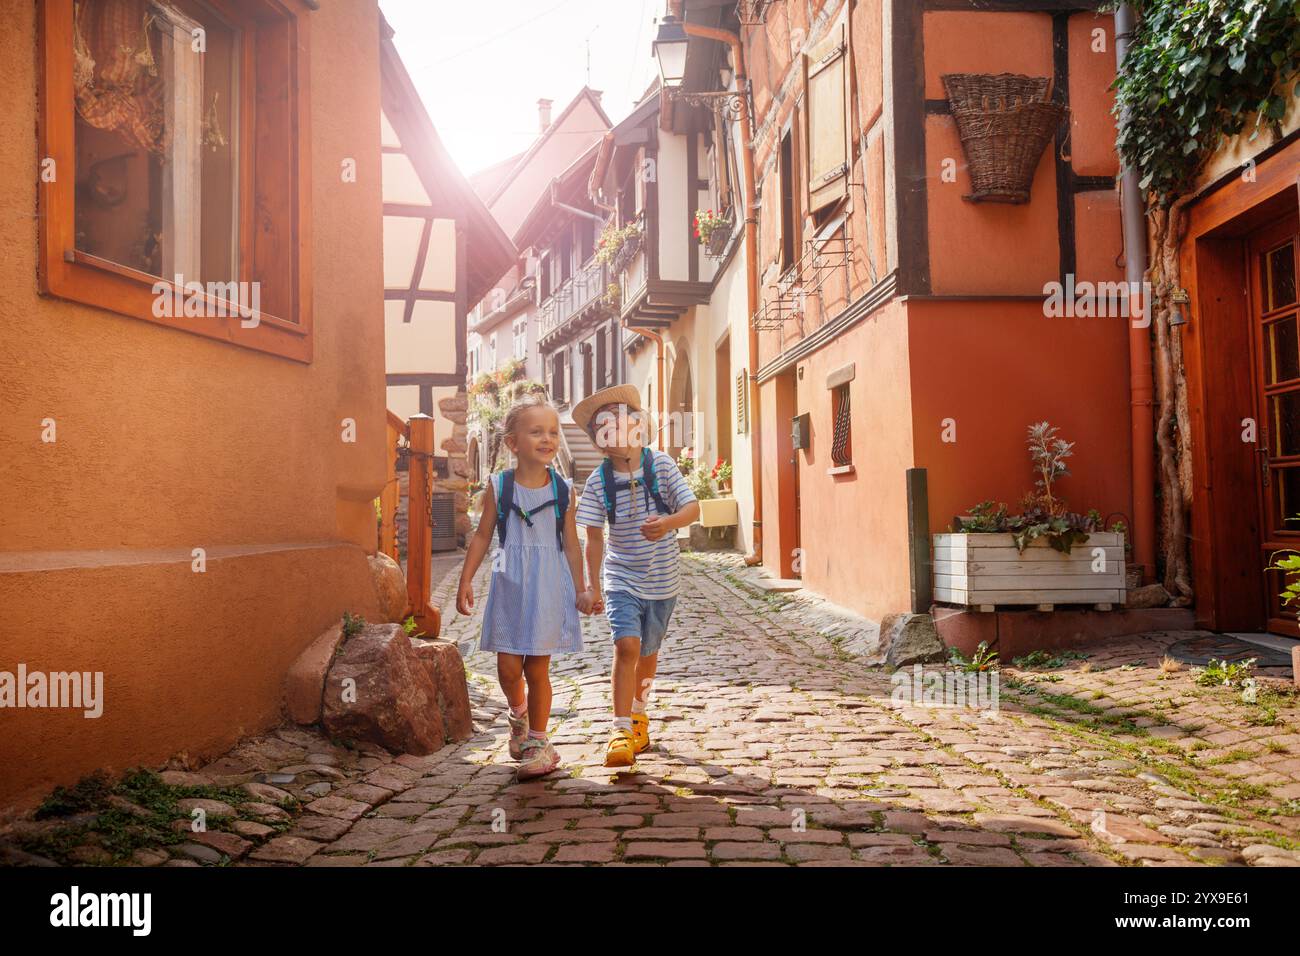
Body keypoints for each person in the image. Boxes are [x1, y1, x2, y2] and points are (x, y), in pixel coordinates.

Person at [456, 395, 597, 779]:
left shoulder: (564, 489)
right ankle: (517, 713)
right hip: (510, 584)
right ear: (513, 442)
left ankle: (538, 741)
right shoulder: (499, 487)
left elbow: (571, 542)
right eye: (536, 432)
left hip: (549, 585)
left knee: (537, 667)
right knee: (506, 668)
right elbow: (484, 535)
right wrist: (466, 579)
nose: (547, 438)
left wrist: (583, 589)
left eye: (552, 431)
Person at [572, 384, 700, 767]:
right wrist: (593, 585)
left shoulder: (661, 465)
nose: (609, 432)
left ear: (637, 425)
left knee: (648, 652)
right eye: (600, 428)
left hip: (663, 582)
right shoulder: (598, 482)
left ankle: (640, 712)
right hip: (621, 577)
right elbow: (593, 538)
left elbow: (692, 509)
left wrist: (667, 523)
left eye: (616, 421)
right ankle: (621, 728)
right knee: (626, 646)